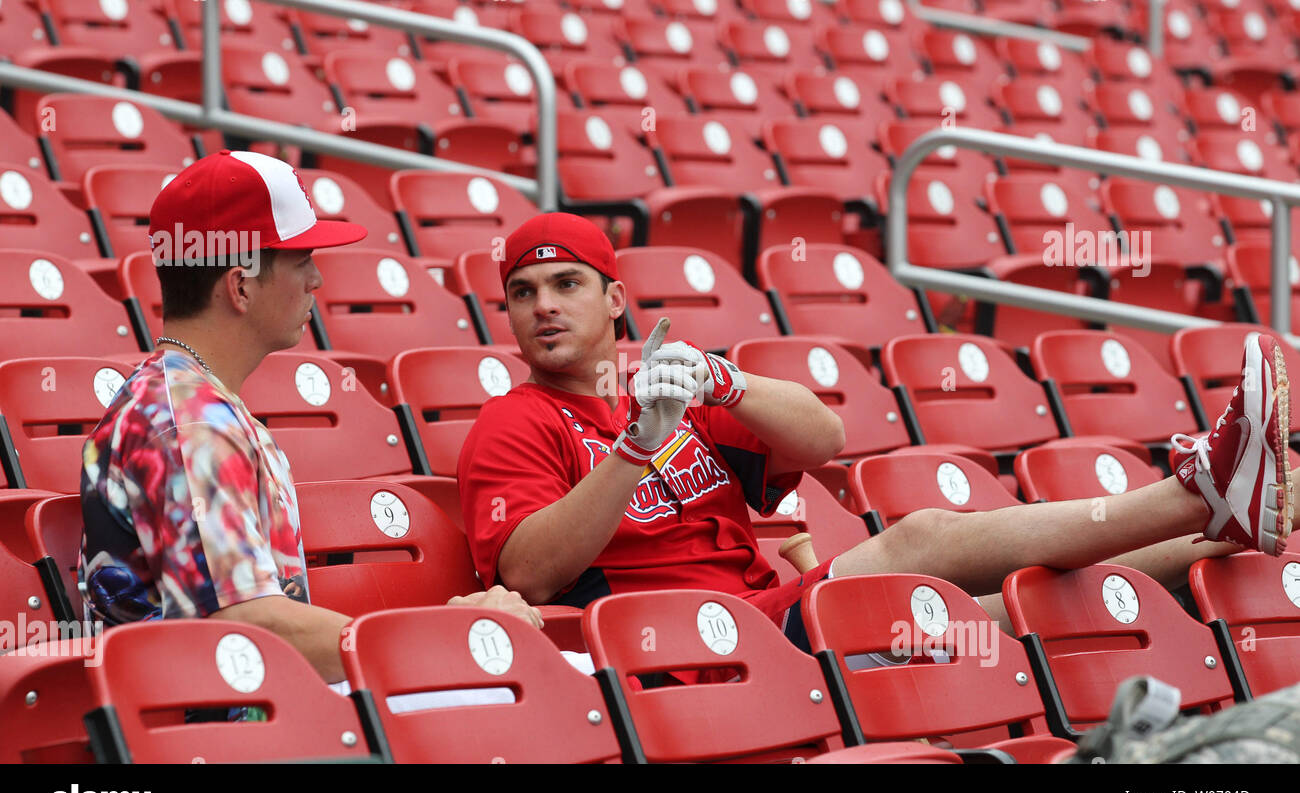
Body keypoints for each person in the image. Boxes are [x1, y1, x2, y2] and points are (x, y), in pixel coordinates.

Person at [458, 211, 1294, 645]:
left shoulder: (670, 386)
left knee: (1025, 605)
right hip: (687, 646)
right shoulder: (514, 422)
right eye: (523, 295)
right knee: (921, 541)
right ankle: (1202, 496)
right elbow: (529, 572)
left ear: (614, 299)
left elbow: (825, 440)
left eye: (566, 285)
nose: (544, 308)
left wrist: (724, 378)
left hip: (778, 615)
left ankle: (1238, 514)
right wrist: (636, 449)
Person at [78, 150, 540, 686]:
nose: (317, 279)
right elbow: (246, 624)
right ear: (241, 286)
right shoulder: (191, 423)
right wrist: (445, 639)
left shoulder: (193, 399)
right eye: (302, 262)